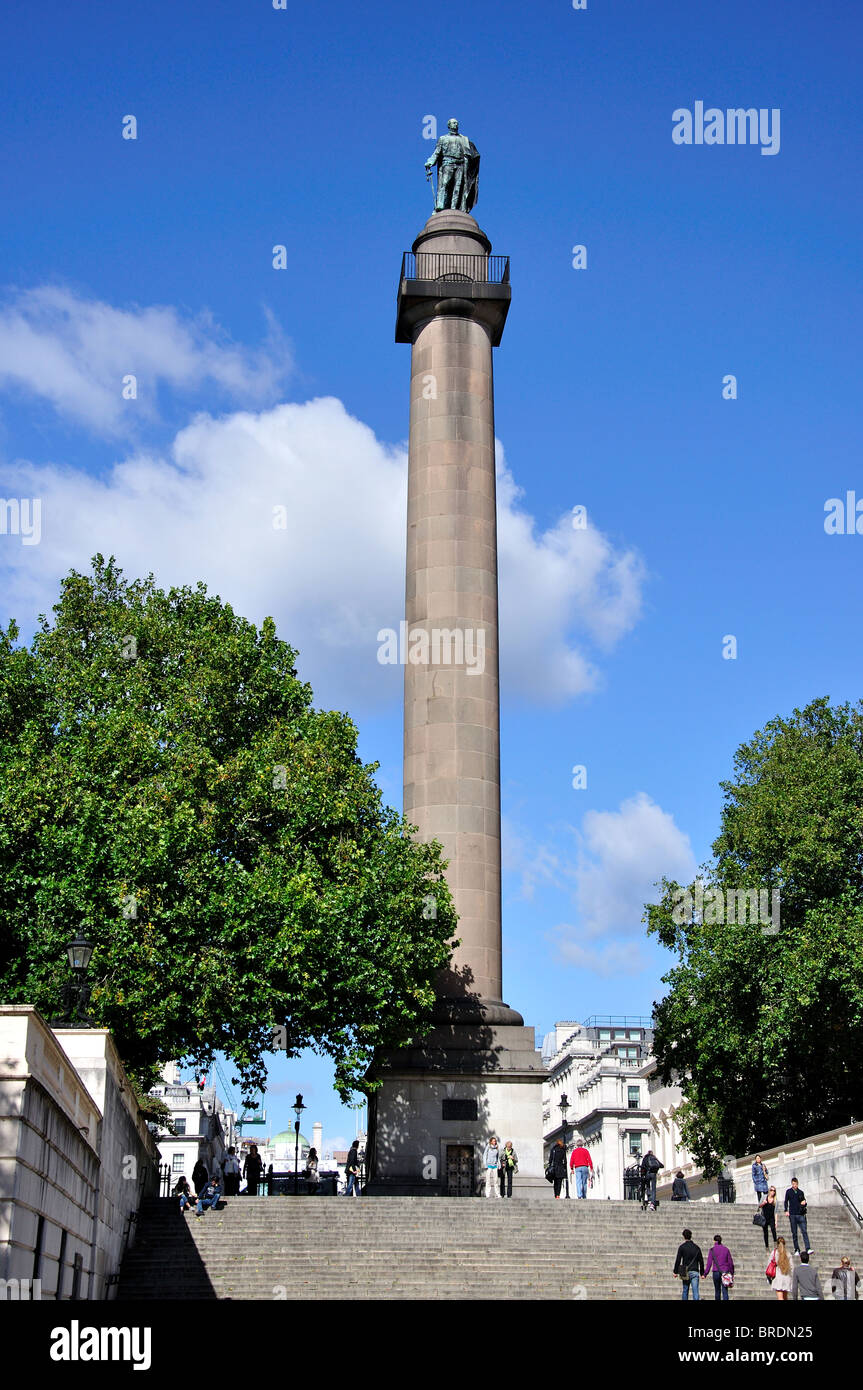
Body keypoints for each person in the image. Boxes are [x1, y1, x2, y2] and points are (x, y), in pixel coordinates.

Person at [673, 1228, 705, 1301]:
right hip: (695, 1271)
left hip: (685, 1271)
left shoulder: (682, 1247)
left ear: (684, 1237)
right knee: (695, 1291)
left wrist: (675, 1271)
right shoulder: (697, 1248)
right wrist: (702, 1273)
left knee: (685, 1290)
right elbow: (701, 1261)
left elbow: (678, 1260)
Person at [783, 1177, 811, 1255]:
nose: (794, 1185)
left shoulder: (800, 1192)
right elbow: (786, 1201)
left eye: (795, 1184)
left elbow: (804, 1202)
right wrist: (786, 1210)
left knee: (804, 1231)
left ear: (797, 1184)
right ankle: (796, 1249)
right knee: (794, 1233)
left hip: (800, 1214)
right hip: (792, 1214)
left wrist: (804, 1203)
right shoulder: (788, 1192)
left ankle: (808, 1248)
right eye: (793, 1184)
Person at [705, 1234, 735, 1300]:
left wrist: (705, 1274)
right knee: (725, 1291)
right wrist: (732, 1273)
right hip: (725, 1272)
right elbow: (730, 1263)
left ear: (714, 1241)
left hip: (716, 1272)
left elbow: (709, 1263)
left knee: (717, 1290)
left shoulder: (712, 1250)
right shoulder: (726, 1249)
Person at [758, 1185, 778, 1250]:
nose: (773, 1192)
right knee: (765, 1232)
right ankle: (767, 1247)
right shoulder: (764, 1197)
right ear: (769, 1191)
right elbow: (759, 1206)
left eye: (774, 1191)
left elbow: (776, 1212)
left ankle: (775, 1243)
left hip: (771, 1218)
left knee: (773, 1230)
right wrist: (763, 1203)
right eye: (771, 1190)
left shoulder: (775, 1200)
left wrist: (776, 1221)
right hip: (764, 1217)